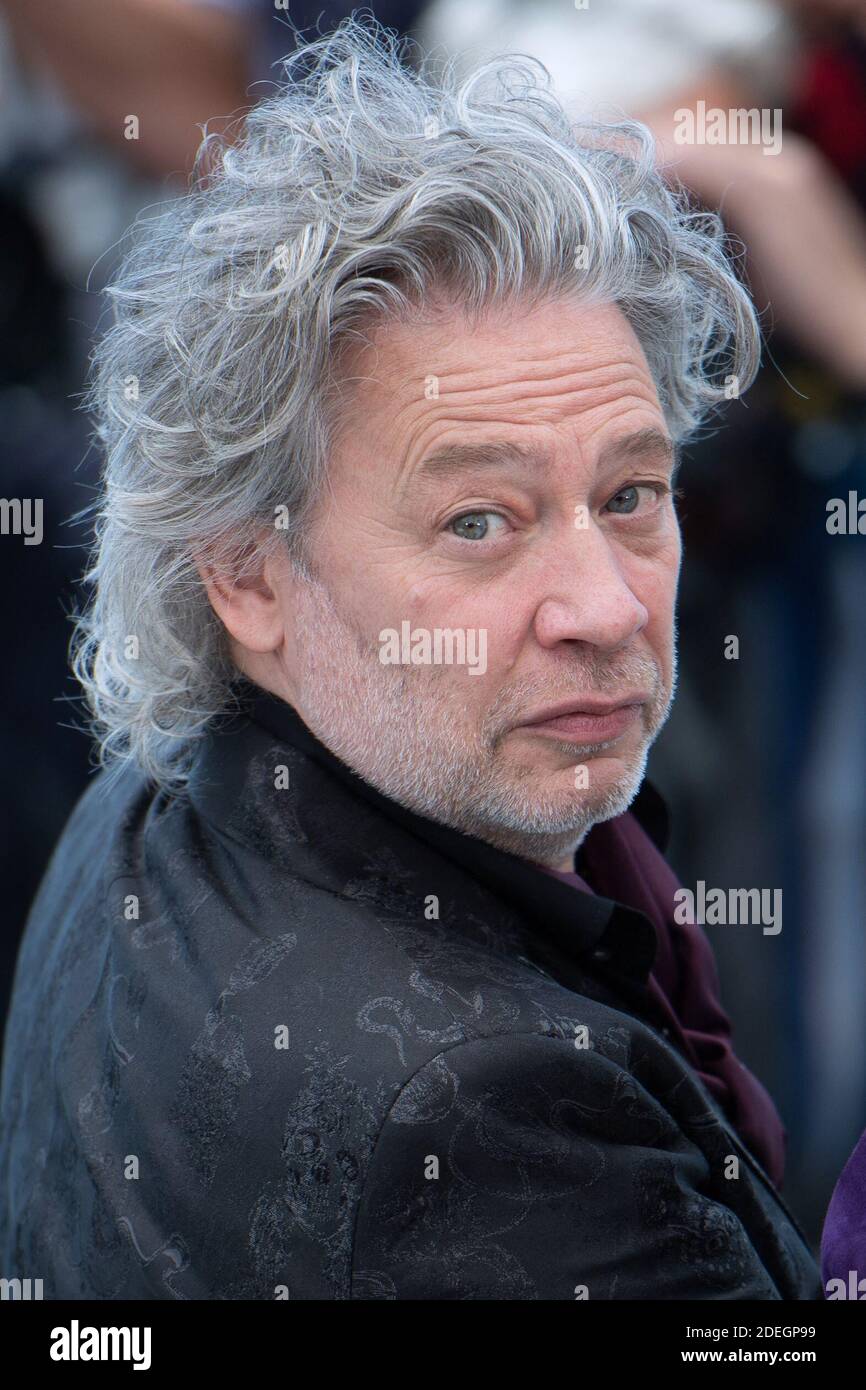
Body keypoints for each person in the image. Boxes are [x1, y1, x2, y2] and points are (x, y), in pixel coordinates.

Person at [0, 17, 821, 1300]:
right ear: (251, 576)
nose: (601, 608)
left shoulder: (148, 804)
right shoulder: (484, 1113)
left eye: (628, 495)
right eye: (477, 522)